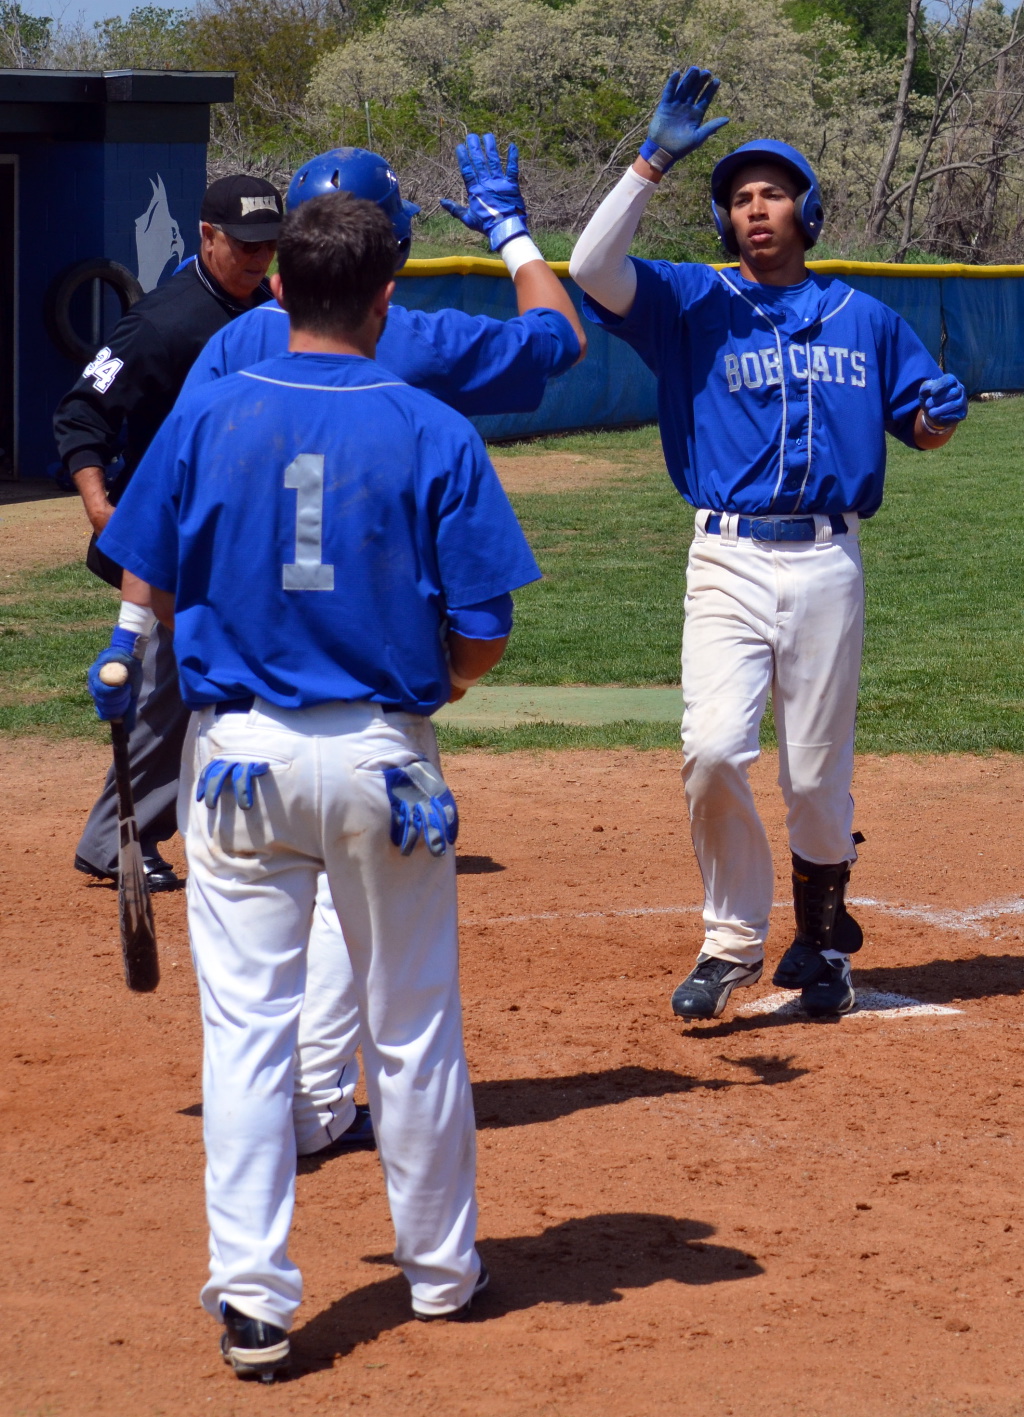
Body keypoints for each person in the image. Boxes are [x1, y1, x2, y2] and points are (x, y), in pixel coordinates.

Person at [86, 192, 541, 1380]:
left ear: (279, 287)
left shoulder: (211, 408)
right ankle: (440, 1272)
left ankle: (252, 1300)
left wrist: (130, 646)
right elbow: (484, 628)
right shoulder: (431, 425)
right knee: (411, 1023)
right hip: (385, 753)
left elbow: (144, 562)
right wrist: (432, 692)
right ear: (387, 297)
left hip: (237, 756)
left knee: (247, 1034)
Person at [179, 136, 588, 1163]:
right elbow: (559, 339)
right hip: (373, 697)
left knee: (260, 934)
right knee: (349, 905)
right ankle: (320, 1101)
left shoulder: (233, 349)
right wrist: (509, 230)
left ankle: (281, 1114)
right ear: (393, 258)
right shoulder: (417, 340)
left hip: (240, 694)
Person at [569, 67, 968, 1021]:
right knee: (713, 749)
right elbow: (588, 267)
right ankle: (730, 941)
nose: (754, 207)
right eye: (740, 196)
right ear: (724, 220)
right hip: (729, 559)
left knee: (818, 774)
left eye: (773, 193)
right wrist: (652, 160)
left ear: (808, 211)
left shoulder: (865, 318)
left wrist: (940, 417)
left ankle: (823, 945)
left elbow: (923, 426)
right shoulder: (688, 302)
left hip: (829, 560)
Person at [55, 174, 284, 890]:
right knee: (170, 686)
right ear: (208, 236)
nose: (258, 258)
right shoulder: (164, 322)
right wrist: (104, 512)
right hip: (170, 534)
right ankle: (116, 838)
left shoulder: (270, 309)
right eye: (244, 245)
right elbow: (82, 413)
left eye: (269, 246)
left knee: (198, 680)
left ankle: (156, 828)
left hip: (234, 528)